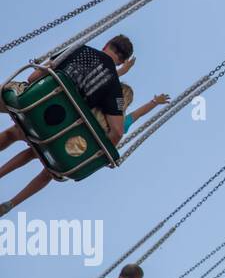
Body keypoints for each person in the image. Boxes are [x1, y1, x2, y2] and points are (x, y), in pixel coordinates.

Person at [0, 36, 144, 216]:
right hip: (58, 131)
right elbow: (117, 130)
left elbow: (33, 76)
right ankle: (10, 203)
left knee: (12, 130)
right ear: (122, 61)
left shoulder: (77, 50)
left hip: (34, 107)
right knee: (45, 163)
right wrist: (99, 154)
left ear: (107, 44)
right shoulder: (114, 87)